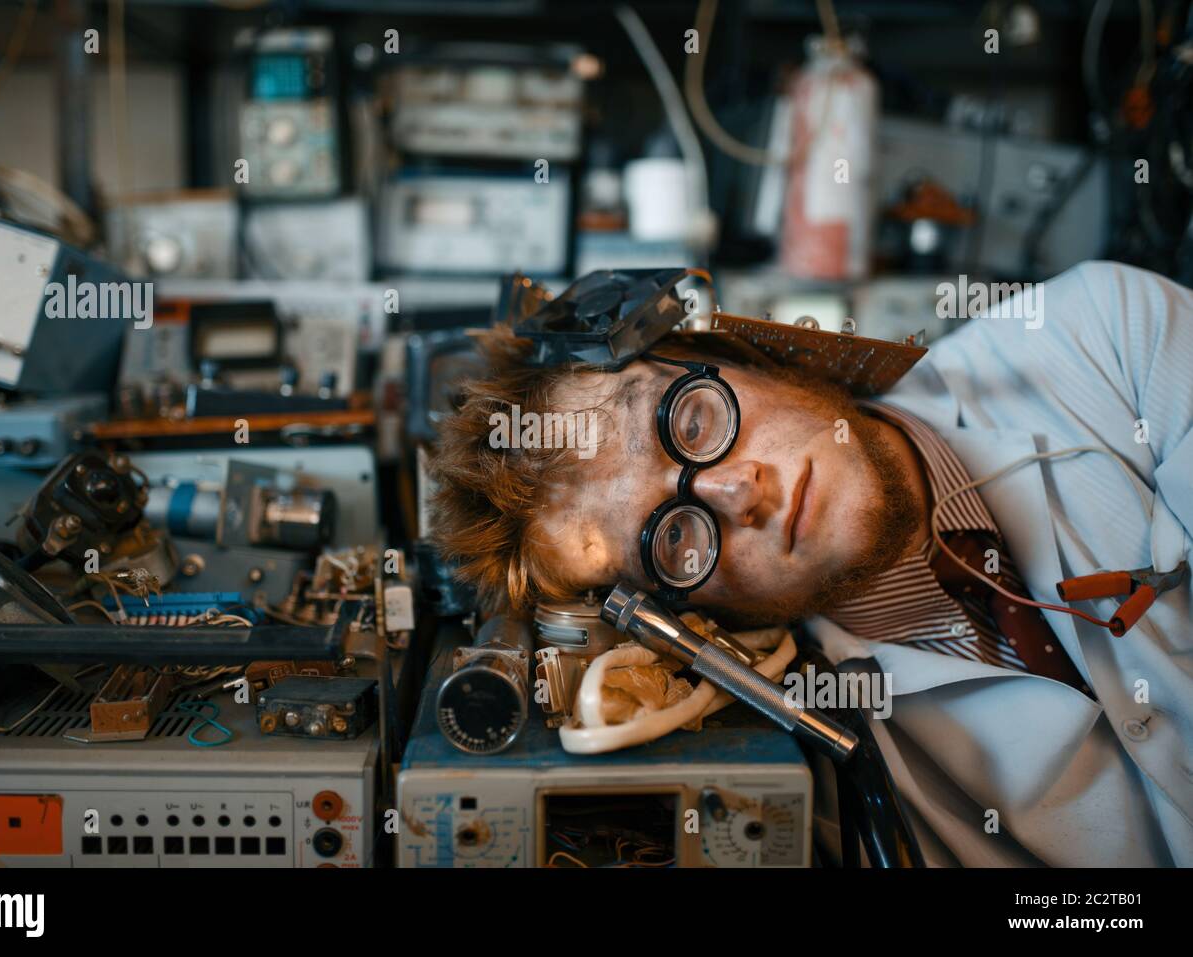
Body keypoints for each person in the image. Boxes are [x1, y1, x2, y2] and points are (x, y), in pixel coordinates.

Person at [427, 261, 1193, 867]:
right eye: (674, 539)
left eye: (692, 420)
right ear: (680, 618)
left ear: (730, 353)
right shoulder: (834, 797)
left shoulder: (1101, 338)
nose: (737, 490)